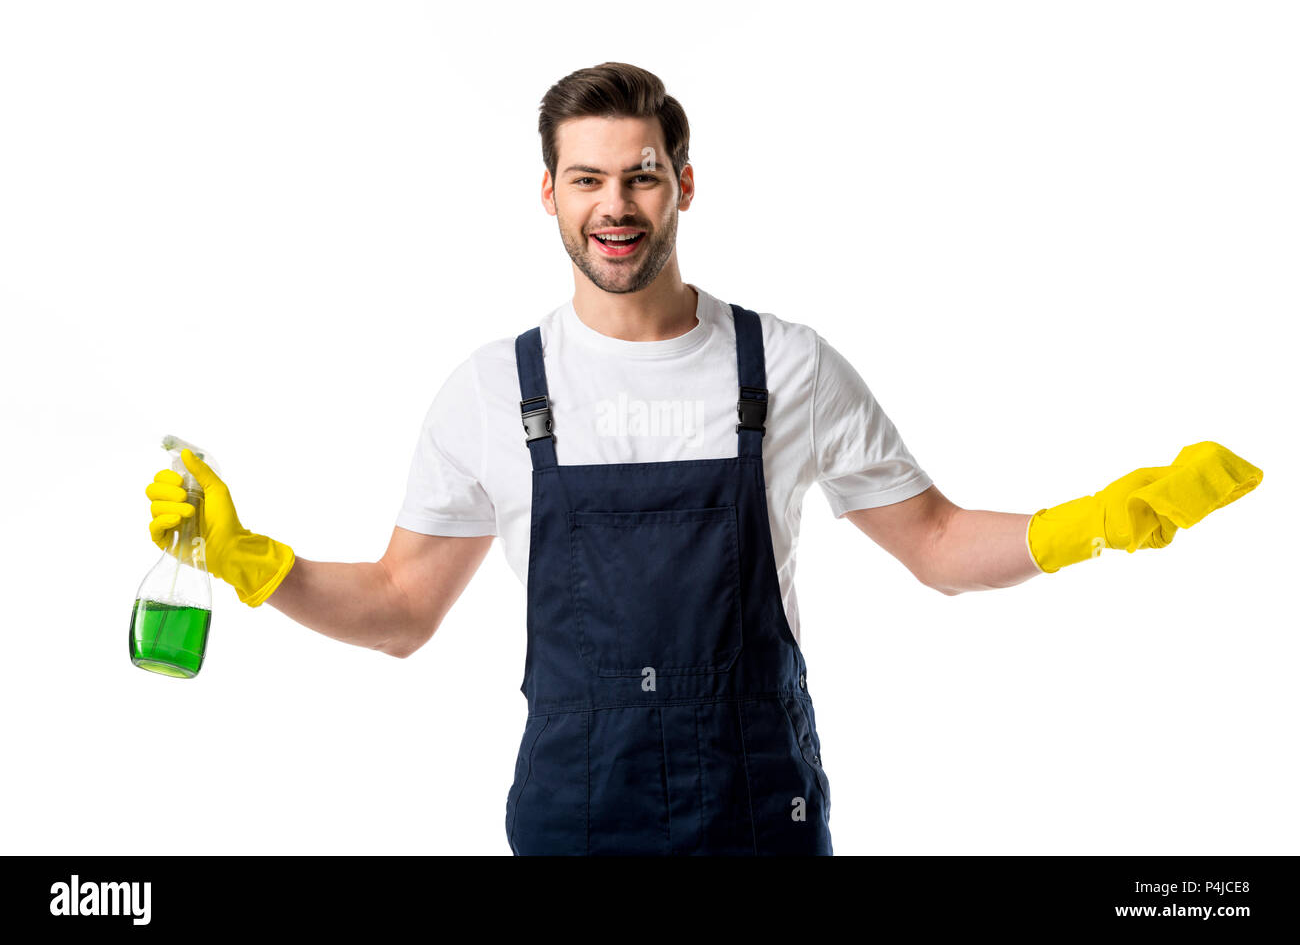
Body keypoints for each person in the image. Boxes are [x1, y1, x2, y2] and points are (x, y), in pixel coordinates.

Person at [144, 62, 1264, 855]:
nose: (615, 206)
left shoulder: (785, 364)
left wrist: (1095, 524)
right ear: (549, 193)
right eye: (586, 179)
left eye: (640, 175)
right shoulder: (494, 388)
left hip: (756, 814)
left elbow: (933, 544)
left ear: (685, 181)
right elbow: (398, 609)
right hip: (574, 820)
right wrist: (255, 562)